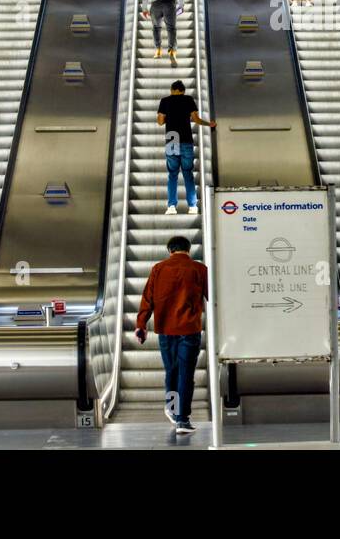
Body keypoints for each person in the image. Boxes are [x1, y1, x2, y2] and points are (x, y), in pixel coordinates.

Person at [135, 235, 208, 434]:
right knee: (186, 374)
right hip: (190, 330)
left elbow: (147, 298)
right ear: (189, 250)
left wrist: (141, 324)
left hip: (166, 330)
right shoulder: (200, 269)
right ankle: (182, 420)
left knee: (172, 370)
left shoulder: (158, 269)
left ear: (170, 251)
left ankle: (173, 408)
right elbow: (214, 297)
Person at [157, 80, 216, 215]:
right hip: (186, 139)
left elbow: (160, 122)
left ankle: (171, 206)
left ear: (172, 90)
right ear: (183, 90)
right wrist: (209, 124)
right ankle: (193, 206)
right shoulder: (188, 99)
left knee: (172, 174)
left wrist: (169, 118)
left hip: (172, 138)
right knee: (188, 173)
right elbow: (195, 119)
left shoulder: (165, 101)